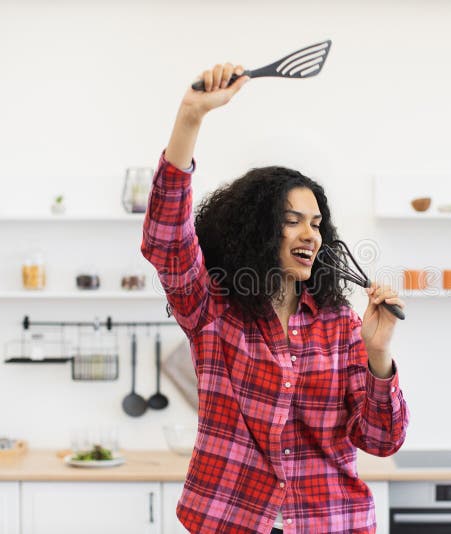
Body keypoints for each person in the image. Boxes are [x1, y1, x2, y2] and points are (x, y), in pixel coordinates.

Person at [141, 62, 409, 534]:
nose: (311, 233)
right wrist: (190, 116)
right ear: (256, 230)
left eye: (317, 223)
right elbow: (167, 240)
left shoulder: (341, 325)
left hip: (332, 522)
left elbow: (382, 441)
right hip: (232, 521)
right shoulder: (211, 310)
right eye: (293, 220)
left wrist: (378, 355)